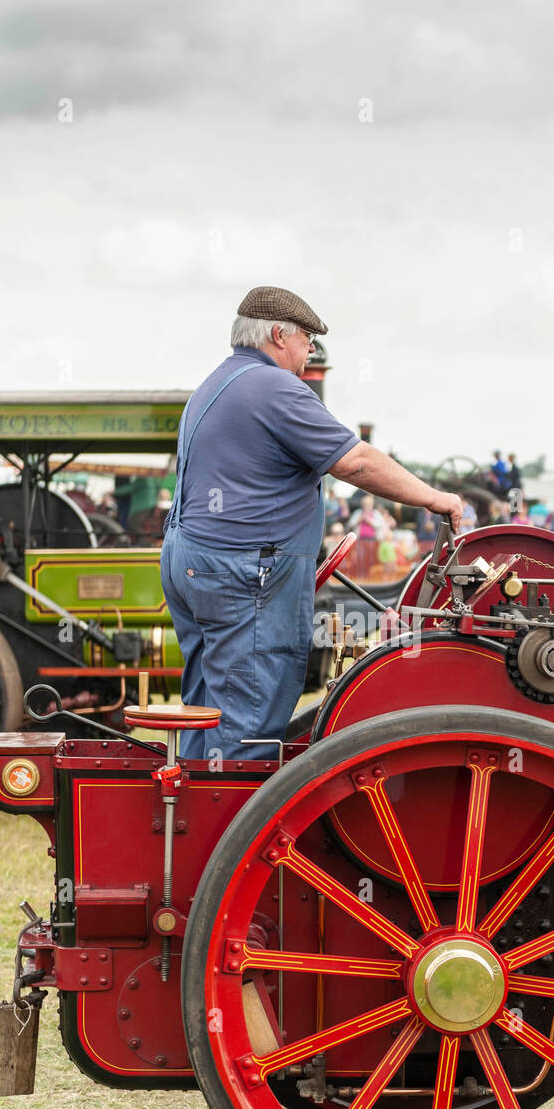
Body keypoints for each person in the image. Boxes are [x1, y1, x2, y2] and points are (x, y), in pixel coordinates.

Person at [160, 285, 463, 760]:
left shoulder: (216, 383)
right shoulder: (274, 386)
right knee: (249, 720)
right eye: (307, 342)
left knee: (211, 704)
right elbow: (355, 462)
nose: (308, 356)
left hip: (194, 563)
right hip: (243, 573)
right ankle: (230, 819)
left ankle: (194, 808)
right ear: (279, 335)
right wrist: (433, 497)